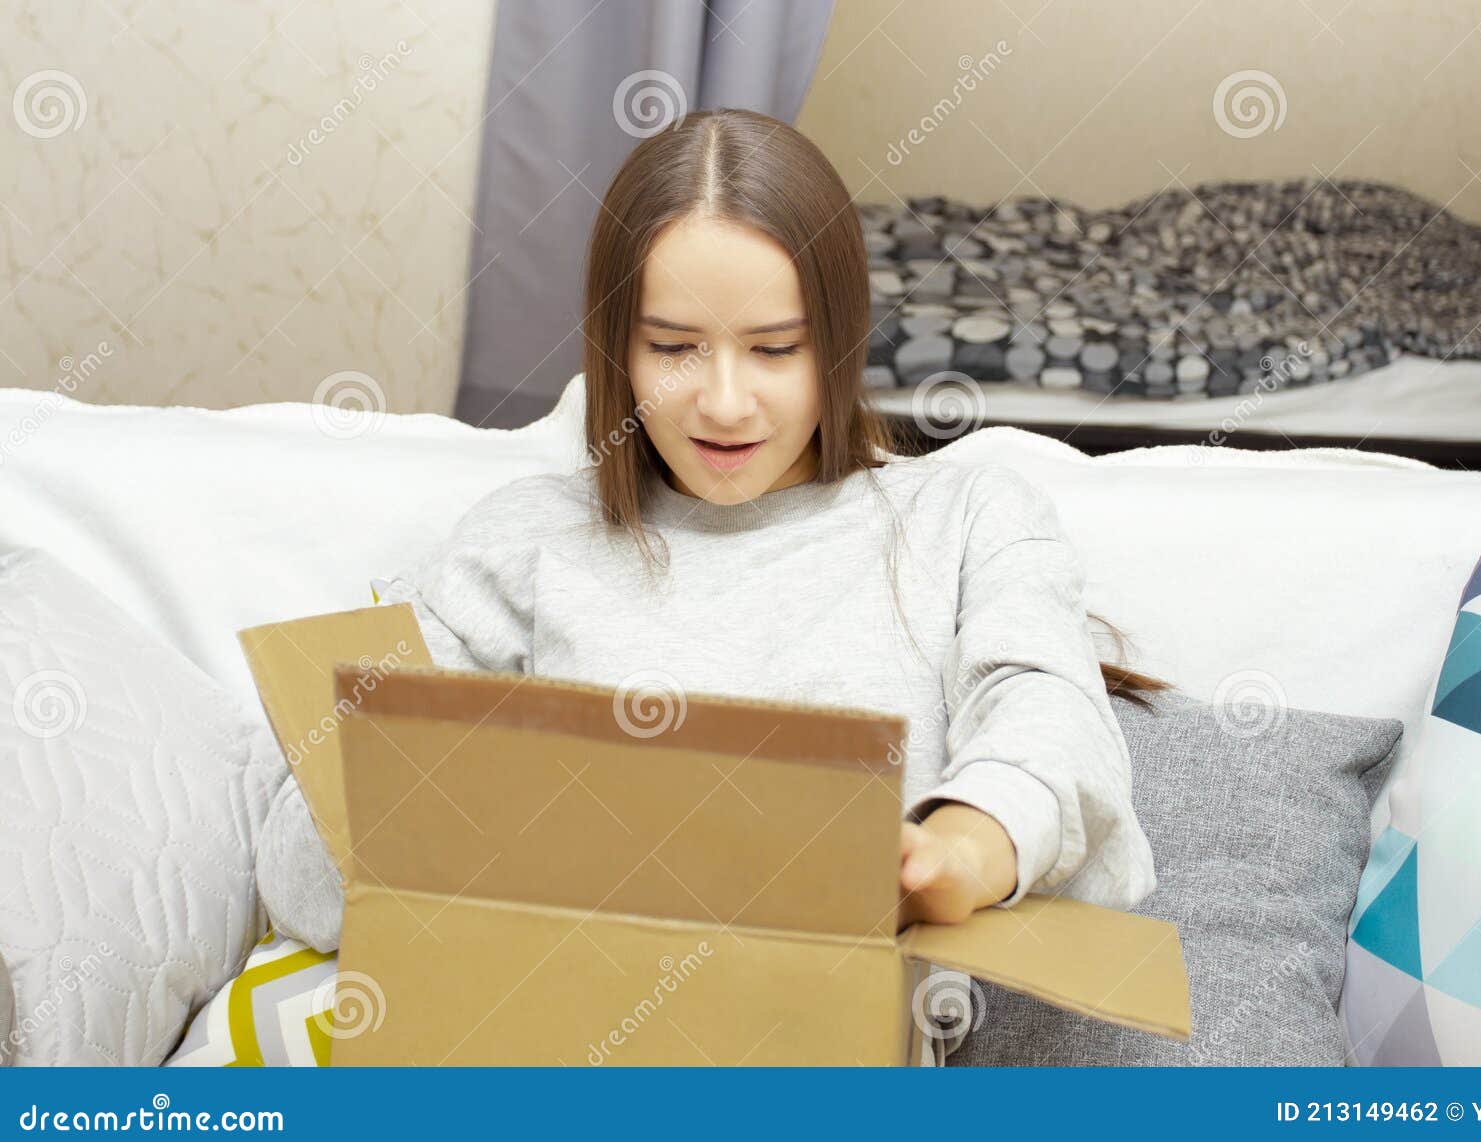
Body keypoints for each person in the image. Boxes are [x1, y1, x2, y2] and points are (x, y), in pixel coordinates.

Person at [256, 107, 1161, 1062]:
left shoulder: (967, 515)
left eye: (776, 349)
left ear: (842, 340)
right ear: (616, 346)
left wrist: (959, 852)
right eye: (674, 346)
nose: (725, 403)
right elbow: (304, 870)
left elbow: (1052, 723)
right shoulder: (524, 540)